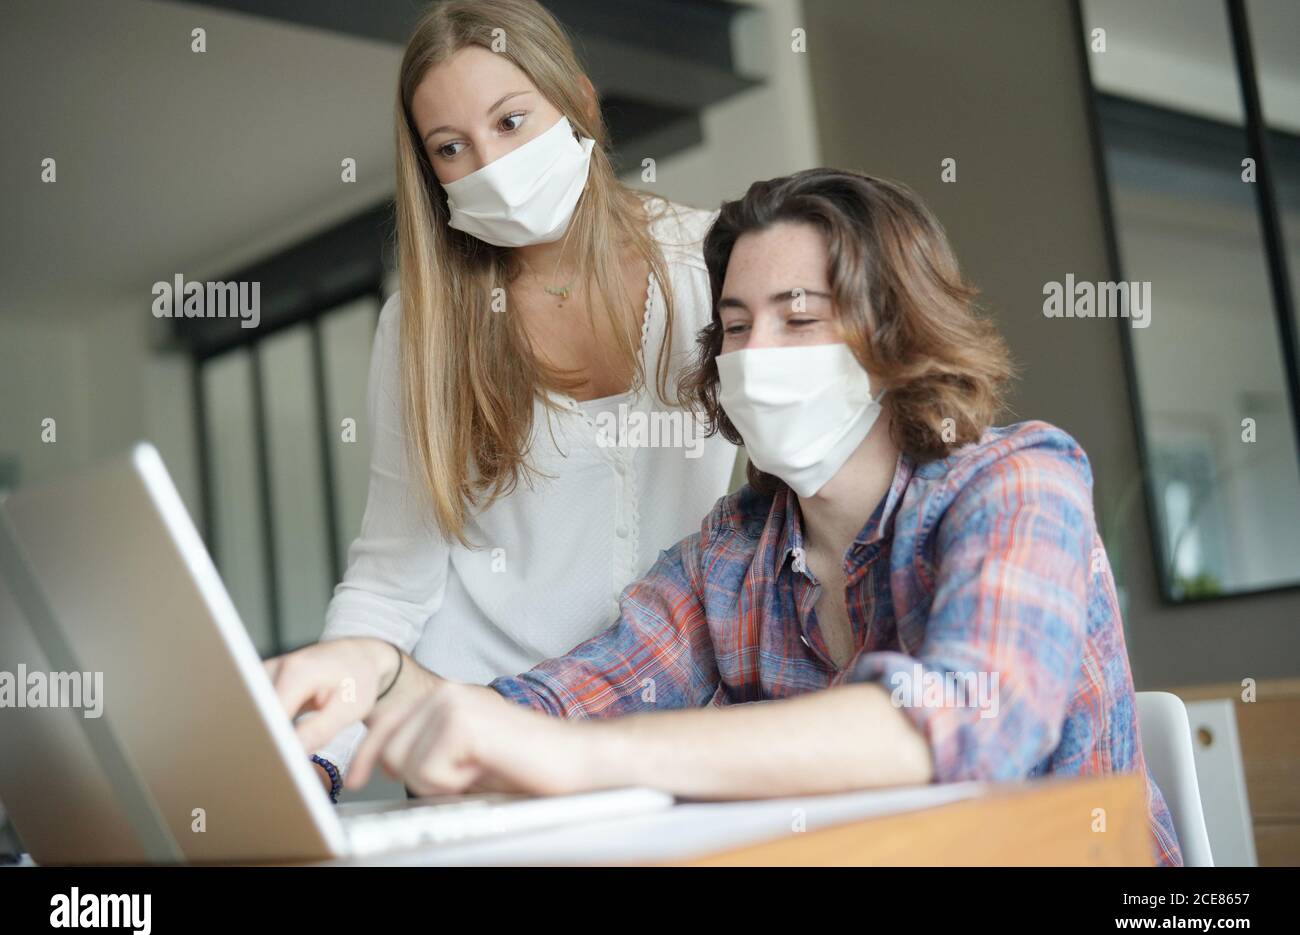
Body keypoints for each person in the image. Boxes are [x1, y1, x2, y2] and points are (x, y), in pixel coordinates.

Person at [269, 168, 1183, 866]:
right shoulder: (730, 551)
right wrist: (379, 674)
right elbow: (558, 702)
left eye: (798, 317)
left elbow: (967, 723)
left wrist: (591, 760)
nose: (756, 355)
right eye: (737, 325)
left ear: (896, 335)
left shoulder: (1016, 479)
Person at [305, 0, 737, 796]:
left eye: (511, 121)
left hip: (667, 739)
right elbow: (390, 579)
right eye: (451, 147)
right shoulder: (422, 328)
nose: (490, 164)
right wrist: (315, 753)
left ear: (578, 101)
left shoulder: (712, 269)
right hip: (477, 746)